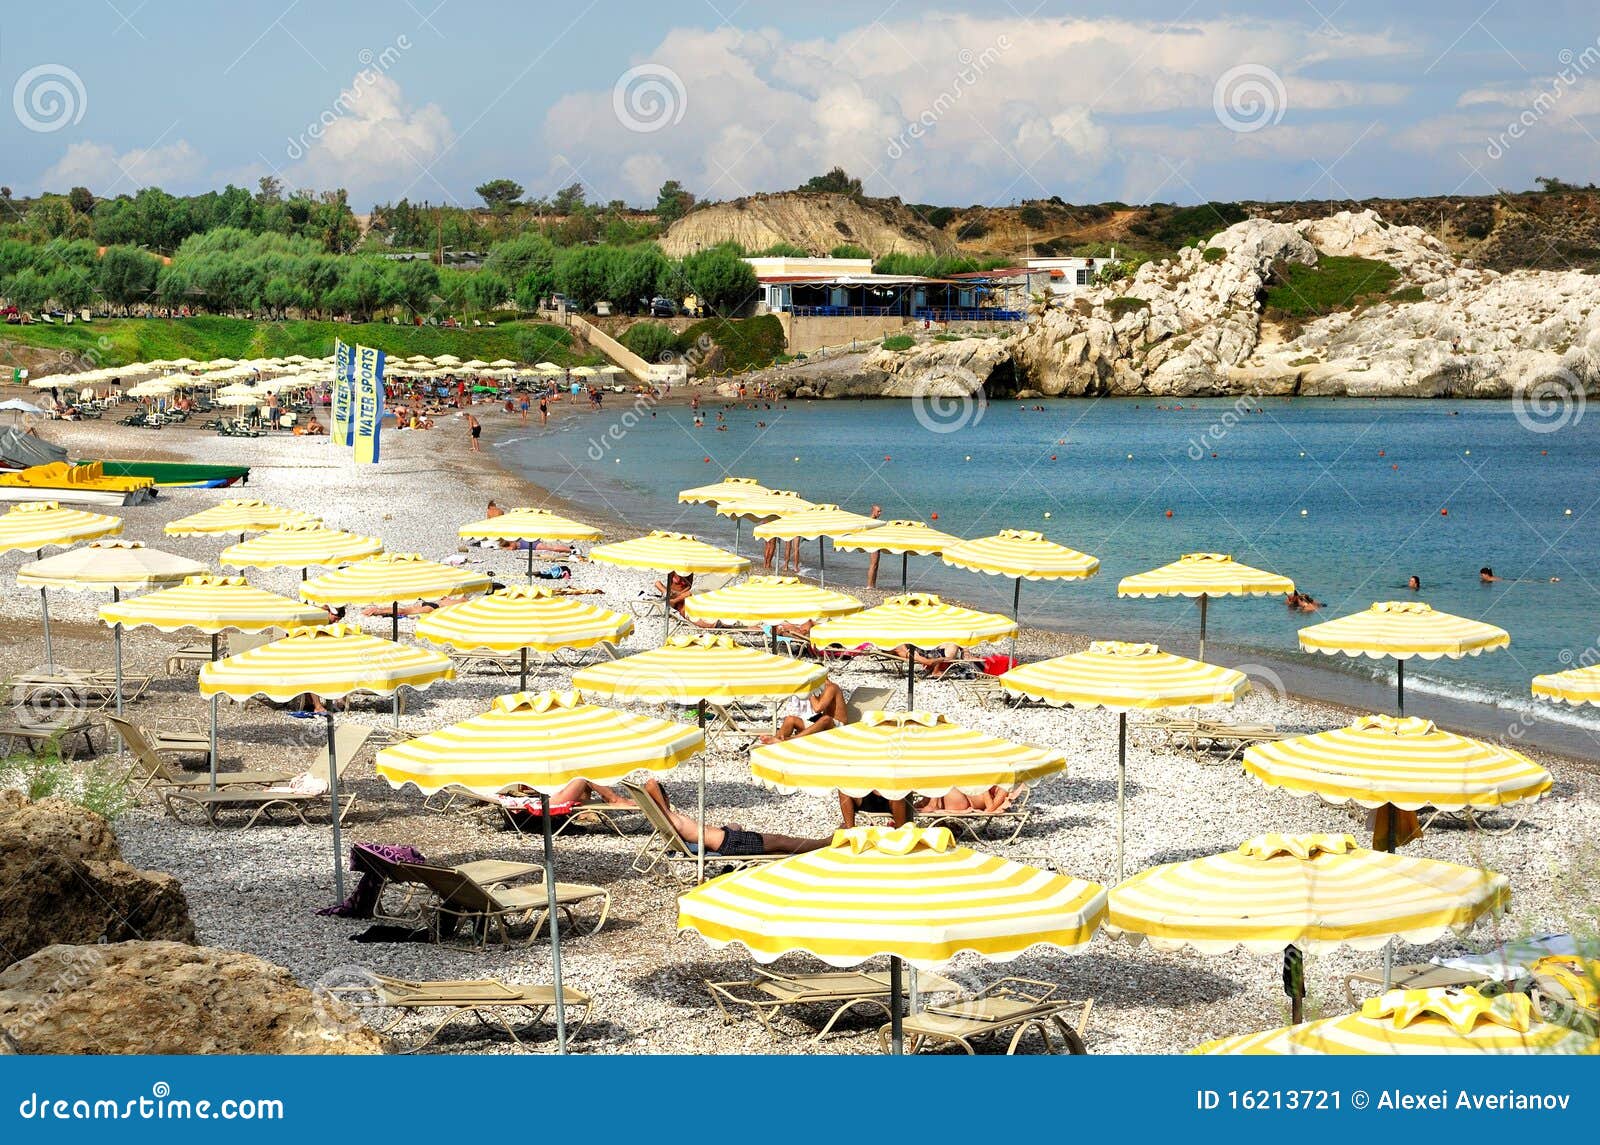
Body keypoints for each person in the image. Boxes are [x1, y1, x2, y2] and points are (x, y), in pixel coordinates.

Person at [634, 778, 828, 856]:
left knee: (736, 825)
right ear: (663, 799)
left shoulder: (669, 819)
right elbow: (651, 783)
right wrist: (659, 799)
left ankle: (815, 847)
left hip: (725, 837)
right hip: (729, 844)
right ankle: (822, 844)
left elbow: (652, 788)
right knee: (780, 841)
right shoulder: (669, 817)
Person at [760, 681, 846, 744]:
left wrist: (810, 691)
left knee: (825, 719)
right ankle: (775, 741)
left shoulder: (831, 687)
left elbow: (817, 708)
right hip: (823, 726)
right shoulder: (820, 689)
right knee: (790, 719)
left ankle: (792, 739)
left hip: (838, 727)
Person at [865, 504, 883, 588]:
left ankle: (873, 584)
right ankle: (869, 585)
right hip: (873, 544)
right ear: (873, 511)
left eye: (880, 511)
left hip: (877, 543)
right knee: (873, 564)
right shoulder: (871, 521)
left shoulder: (875, 521)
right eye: (878, 511)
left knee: (876, 565)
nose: (880, 513)